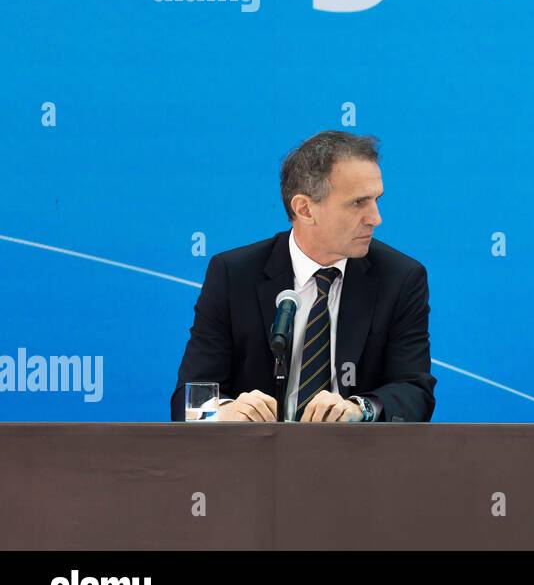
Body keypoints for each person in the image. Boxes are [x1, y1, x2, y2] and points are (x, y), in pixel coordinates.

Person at [170, 131, 435, 422]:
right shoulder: (234, 274)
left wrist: (362, 409)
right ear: (305, 209)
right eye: (358, 203)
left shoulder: (400, 278)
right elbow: (189, 399)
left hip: (356, 459)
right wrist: (222, 413)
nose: (376, 218)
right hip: (254, 458)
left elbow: (414, 392)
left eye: (376, 200)